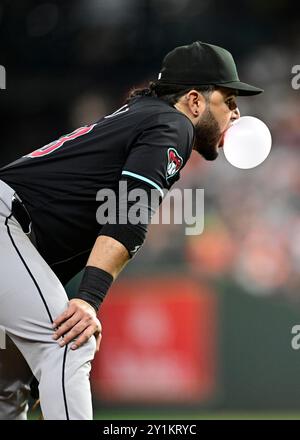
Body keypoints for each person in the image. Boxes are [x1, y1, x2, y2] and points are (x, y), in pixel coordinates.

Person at [0, 41, 262, 420]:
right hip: (6, 220)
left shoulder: (145, 114)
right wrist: (88, 299)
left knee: (9, 389)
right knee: (69, 344)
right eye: (230, 100)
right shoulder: (173, 125)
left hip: (12, 229)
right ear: (194, 100)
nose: (237, 115)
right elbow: (128, 215)